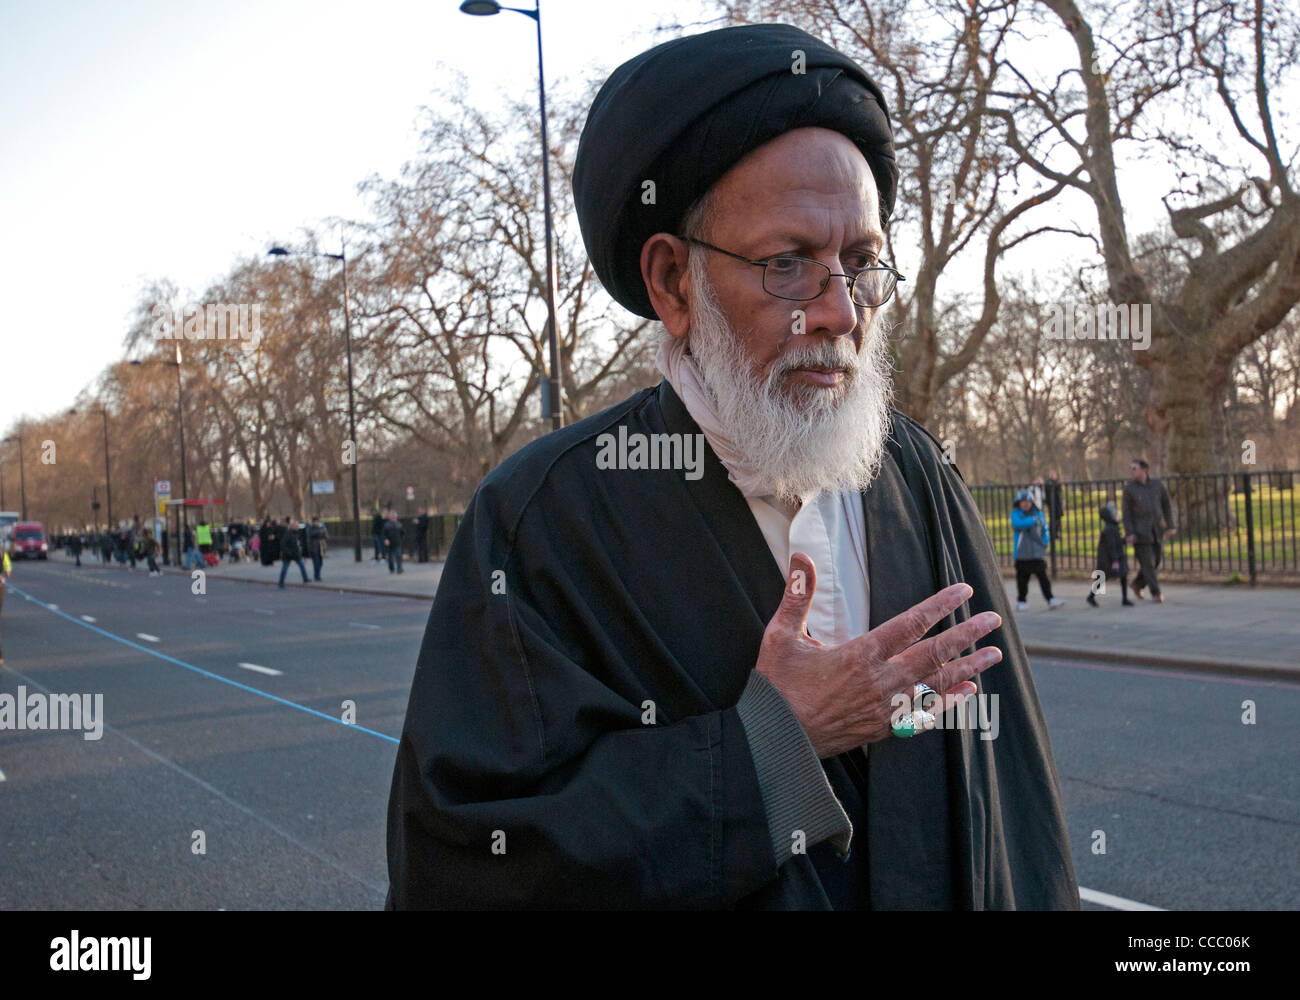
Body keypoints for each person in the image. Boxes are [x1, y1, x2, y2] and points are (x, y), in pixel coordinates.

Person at [386, 23, 1077, 911]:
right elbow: (470, 864)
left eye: (860, 264)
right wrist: (773, 748)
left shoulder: (919, 477)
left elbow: (1013, 807)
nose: (838, 312)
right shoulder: (542, 523)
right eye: (789, 266)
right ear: (675, 283)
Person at [1122, 458, 1175, 603]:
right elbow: (1126, 514)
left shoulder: (1157, 485)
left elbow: (1166, 506)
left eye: (1134, 468)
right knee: (1147, 564)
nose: (1132, 471)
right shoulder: (1129, 489)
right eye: (1131, 468)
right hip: (1139, 533)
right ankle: (1156, 593)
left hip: (1156, 530)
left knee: (1156, 561)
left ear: (1144, 470)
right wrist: (1130, 533)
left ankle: (1137, 584)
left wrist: (1170, 525)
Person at [1011, 490, 1064, 611]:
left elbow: (1045, 528)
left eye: (1027, 502)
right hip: (1022, 554)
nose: (1025, 504)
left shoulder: (1039, 513)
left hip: (1036, 553)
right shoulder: (1016, 514)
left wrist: (1045, 542)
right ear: (1018, 503)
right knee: (1022, 580)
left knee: (1043, 577)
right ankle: (1021, 601)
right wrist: (1034, 520)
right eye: (1022, 502)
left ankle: (1050, 599)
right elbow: (1018, 524)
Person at [1087, 502, 1131, 608]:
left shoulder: (1113, 527)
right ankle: (1091, 596)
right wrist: (1115, 561)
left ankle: (1124, 599)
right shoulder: (1109, 529)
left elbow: (1117, 542)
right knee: (1102, 578)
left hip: (1115, 556)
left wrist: (1126, 540)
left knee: (1123, 575)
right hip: (1109, 559)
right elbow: (1111, 546)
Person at [278, 517, 308, 588]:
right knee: (284, 569)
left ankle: (305, 578)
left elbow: (299, 543)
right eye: (296, 526)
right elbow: (282, 543)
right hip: (288, 554)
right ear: (292, 527)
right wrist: (288, 552)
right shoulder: (288, 533)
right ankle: (281, 582)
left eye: (298, 526)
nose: (298, 527)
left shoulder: (297, 533)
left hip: (296, 553)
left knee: (302, 566)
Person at [307, 516, 329, 582]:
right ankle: (317, 576)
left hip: (321, 547)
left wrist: (323, 531)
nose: (316, 523)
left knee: (321, 562)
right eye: (314, 522)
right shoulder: (310, 528)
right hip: (314, 547)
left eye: (317, 522)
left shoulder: (322, 527)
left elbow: (326, 536)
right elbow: (311, 534)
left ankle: (317, 574)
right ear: (313, 522)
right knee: (316, 562)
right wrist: (320, 531)